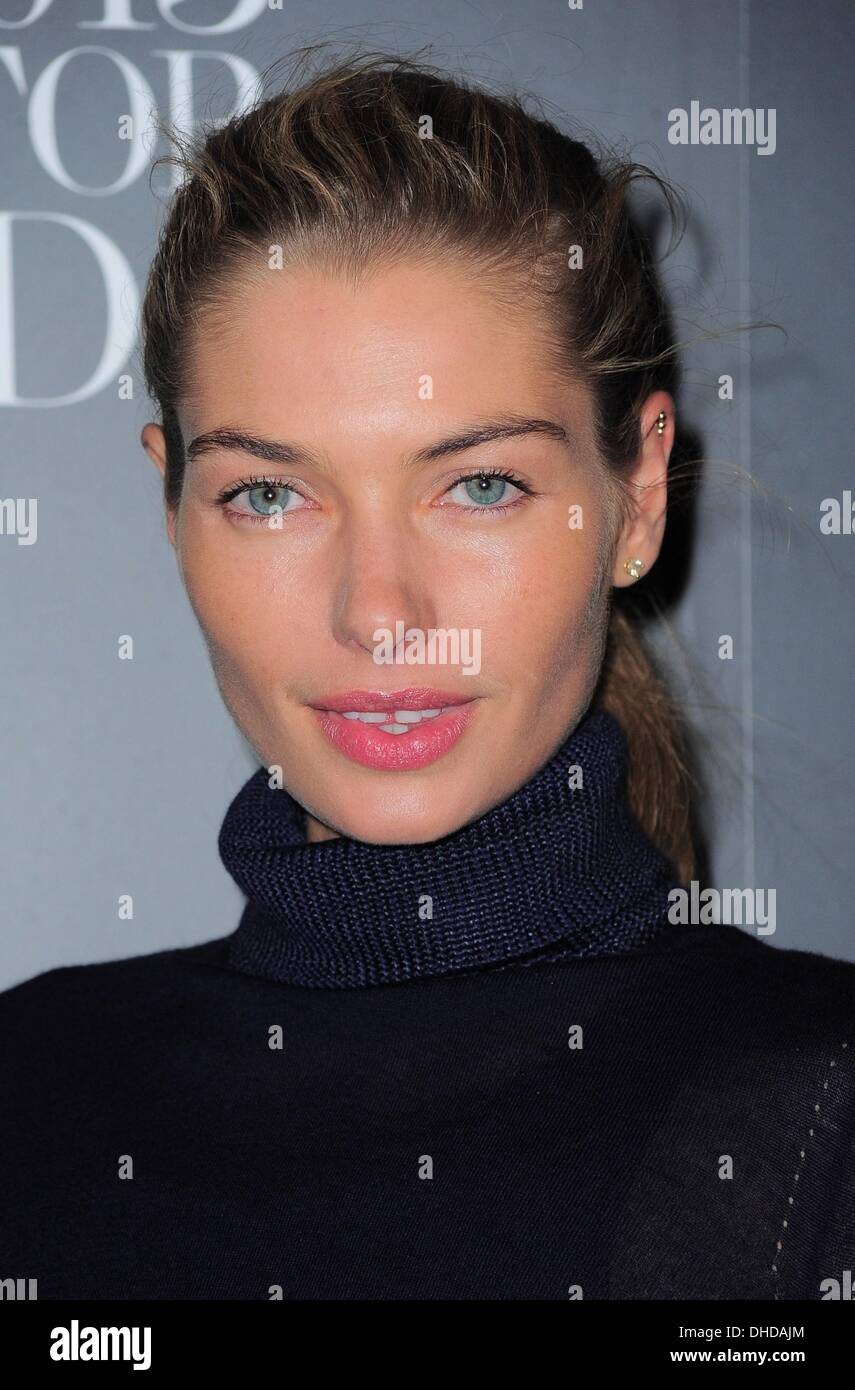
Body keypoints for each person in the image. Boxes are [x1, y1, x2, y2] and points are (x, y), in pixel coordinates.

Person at [1, 48, 852, 1301]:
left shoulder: (819, 1126)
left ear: (637, 499)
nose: (381, 614)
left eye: (481, 485)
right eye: (272, 494)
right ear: (173, 508)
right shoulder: (27, 1088)